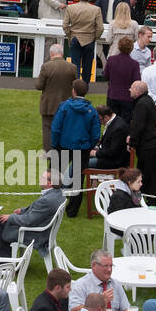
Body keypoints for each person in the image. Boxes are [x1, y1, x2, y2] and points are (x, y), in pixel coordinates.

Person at [51, 79, 100, 217]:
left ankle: (51, 206)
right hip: (82, 148)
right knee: (78, 180)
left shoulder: (64, 107)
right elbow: (95, 133)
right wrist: (88, 146)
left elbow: (56, 128)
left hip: (63, 146)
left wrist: (55, 144)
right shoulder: (92, 111)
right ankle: (72, 211)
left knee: (54, 176)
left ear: (73, 91)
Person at [0, 169, 65, 257]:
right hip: (45, 231)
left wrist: (10, 217)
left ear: (50, 183)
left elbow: (28, 220)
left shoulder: (46, 200)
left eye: (43, 178)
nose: (40, 178)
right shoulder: (59, 194)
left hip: (36, 235)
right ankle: (8, 259)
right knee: (3, 220)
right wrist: (22, 211)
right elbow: (39, 211)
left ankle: (4, 262)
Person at [36, 44, 79, 152]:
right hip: (67, 104)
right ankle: (63, 150)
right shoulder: (72, 67)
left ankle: (49, 152)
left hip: (49, 104)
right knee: (65, 128)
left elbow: (39, 86)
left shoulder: (46, 67)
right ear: (62, 54)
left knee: (47, 129)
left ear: (51, 54)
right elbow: (76, 86)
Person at [62, 0, 102, 83]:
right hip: (89, 39)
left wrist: (70, 35)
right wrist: (94, 37)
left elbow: (65, 25)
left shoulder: (71, 8)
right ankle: (85, 87)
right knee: (87, 65)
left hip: (75, 38)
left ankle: (76, 86)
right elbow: (100, 28)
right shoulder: (96, 9)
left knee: (75, 65)